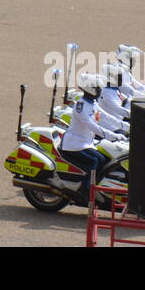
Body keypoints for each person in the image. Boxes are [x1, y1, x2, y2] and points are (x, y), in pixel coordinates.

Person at [58, 74, 116, 207]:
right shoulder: (81, 105)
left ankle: (96, 186)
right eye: (97, 88)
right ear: (89, 89)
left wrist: (125, 127)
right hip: (74, 145)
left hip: (85, 143)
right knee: (95, 161)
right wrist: (110, 135)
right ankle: (85, 190)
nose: (100, 91)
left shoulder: (93, 103)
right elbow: (91, 125)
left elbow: (106, 117)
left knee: (104, 159)